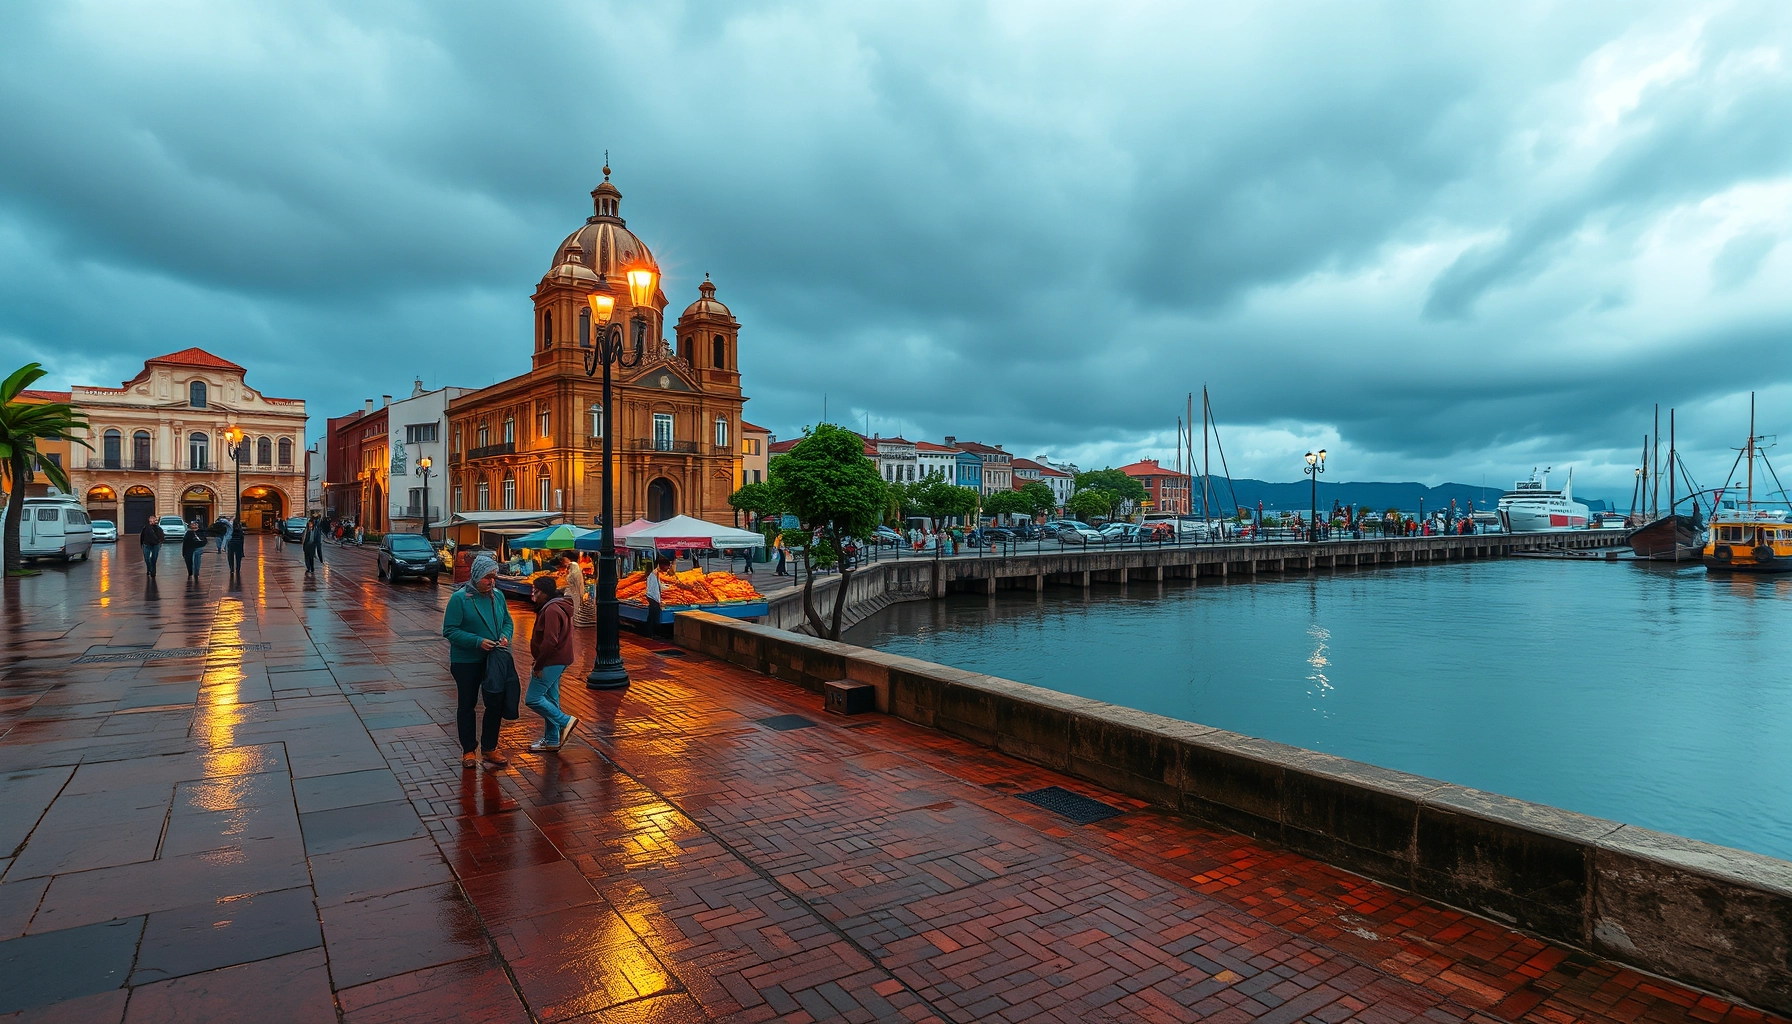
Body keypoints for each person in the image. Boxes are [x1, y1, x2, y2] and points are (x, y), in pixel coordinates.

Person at [441, 554, 514, 770]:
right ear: (476, 576)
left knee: (495, 703)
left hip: (494, 659)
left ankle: (490, 748)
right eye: (487, 577)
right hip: (467, 661)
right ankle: (469, 750)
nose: (492, 582)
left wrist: (505, 636)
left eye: (494, 577)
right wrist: (476, 641)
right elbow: (450, 630)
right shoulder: (460, 599)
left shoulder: (498, 596)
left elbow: (507, 621)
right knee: (467, 704)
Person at [525, 575, 579, 752]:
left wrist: (539, 664)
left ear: (545, 592)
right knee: (550, 698)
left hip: (551, 661)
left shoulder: (551, 610)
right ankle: (551, 739)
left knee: (533, 698)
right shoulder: (556, 606)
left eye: (536, 590)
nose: (533, 594)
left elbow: (550, 641)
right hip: (556, 659)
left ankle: (565, 721)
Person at [644, 552, 671, 636]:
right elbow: (653, 589)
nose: (668, 568)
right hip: (653, 598)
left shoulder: (656, 574)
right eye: (667, 566)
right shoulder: (653, 575)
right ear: (662, 565)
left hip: (653, 598)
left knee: (652, 617)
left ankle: (651, 633)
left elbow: (658, 587)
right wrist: (658, 601)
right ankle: (651, 633)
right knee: (653, 617)